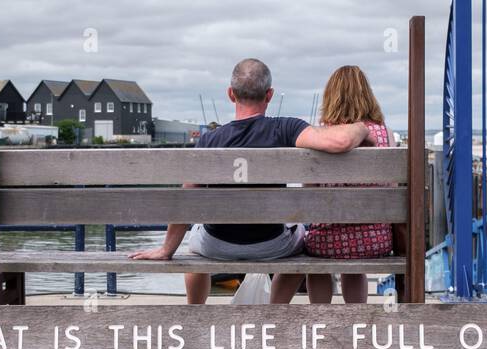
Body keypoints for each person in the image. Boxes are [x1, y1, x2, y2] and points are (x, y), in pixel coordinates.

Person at [129, 58, 372, 303]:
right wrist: (362, 128)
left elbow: (185, 202)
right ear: (269, 95)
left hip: (217, 245)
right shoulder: (286, 128)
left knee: (194, 240)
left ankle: (196, 312)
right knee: (302, 239)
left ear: (230, 94)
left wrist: (166, 250)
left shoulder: (209, 141)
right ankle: (274, 311)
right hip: (272, 245)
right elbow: (338, 142)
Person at [270, 66, 394, 305]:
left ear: (331, 96)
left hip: (327, 242)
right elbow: (389, 186)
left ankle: (321, 317)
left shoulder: (322, 136)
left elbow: (310, 194)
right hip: (375, 240)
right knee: (354, 262)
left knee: (317, 257)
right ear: (367, 95)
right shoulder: (384, 133)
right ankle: (357, 318)